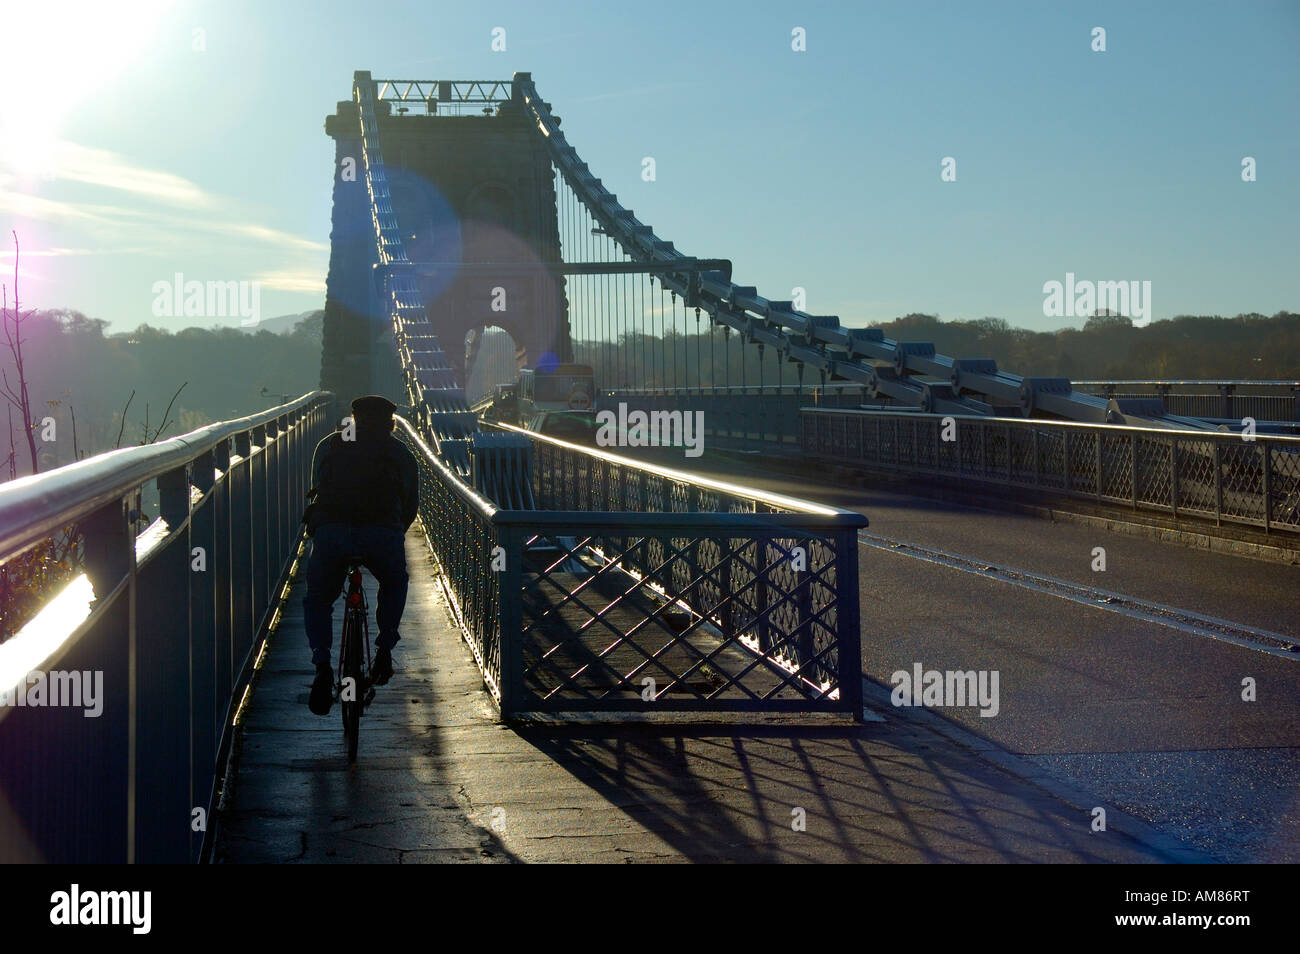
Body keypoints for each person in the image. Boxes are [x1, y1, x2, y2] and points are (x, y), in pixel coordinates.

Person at [301, 395, 419, 715]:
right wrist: (393, 532)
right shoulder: (399, 452)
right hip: (381, 534)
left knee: (318, 598)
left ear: (353, 419)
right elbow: (410, 504)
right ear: (390, 423)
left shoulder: (330, 446)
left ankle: (322, 663)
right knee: (394, 582)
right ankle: (384, 648)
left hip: (333, 534)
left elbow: (317, 490)